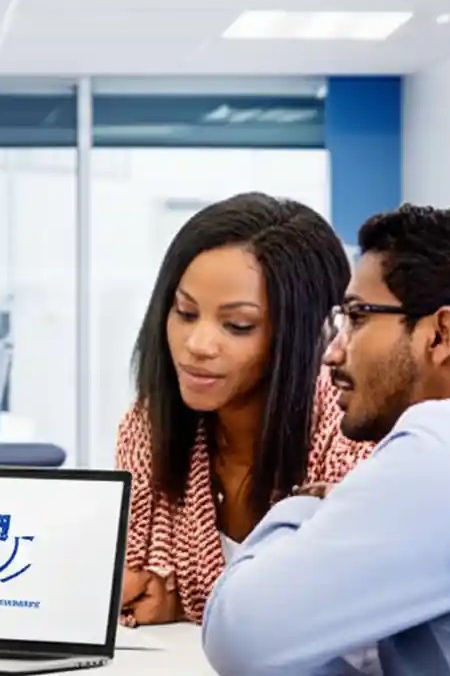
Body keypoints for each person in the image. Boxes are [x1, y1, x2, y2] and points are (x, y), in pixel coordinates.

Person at [202, 205, 450, 675]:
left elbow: (240, 637)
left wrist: (310, 507)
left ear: (441, 334)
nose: (333, 352)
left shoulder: (448, 446)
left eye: (357, 317)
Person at [116, 192, 372, 626]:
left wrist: (194, 607)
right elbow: (137, 583)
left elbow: (348, 615)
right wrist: (157, 601)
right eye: (185, 312)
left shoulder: (358, 443)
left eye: (237, 326)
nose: (197, 345)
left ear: (304, 332)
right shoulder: (146, 430)